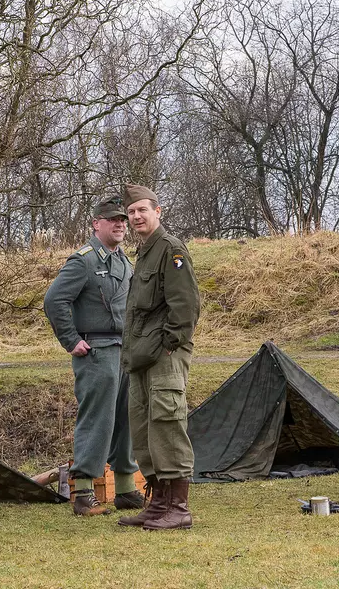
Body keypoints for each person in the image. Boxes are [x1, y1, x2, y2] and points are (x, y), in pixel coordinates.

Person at [43, 196, 144, 516]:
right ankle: (84, 493)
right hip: (96, 351)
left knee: (126, 419)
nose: (120, 225)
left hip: (124, 351)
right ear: (96, 223)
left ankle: (126, 489)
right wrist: (71, 340)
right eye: (113, 219)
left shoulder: (124, 262)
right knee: (97, 420)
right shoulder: (82, 261)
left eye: (123, 220)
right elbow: (54, 300)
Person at [117, 184, 200, 531]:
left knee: (167, 425)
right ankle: (158, 503)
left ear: (158, 211)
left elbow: (186, 306)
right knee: (143, 428)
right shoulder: (145, 252)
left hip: (164, 355)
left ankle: (178, 508)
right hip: (141, 357)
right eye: (131, 212)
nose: (136, 217)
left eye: (142, 210)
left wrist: (169, 344)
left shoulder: (171, 249)